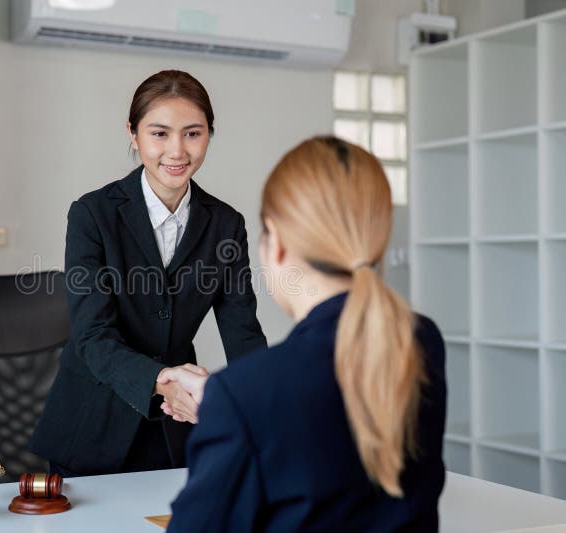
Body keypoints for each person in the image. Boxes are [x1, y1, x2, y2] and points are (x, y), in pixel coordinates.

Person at [163, 136, 447, 531]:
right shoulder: (420, 340)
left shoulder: (247, 394)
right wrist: (230, 400)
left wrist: (230, 403)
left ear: (275, 243)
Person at [29, 70, 267, 477]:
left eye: (193, 133)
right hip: (91, 427)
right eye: (160, 133)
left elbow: (242, 331)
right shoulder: (93, 215)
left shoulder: (226, 224)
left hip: (173, 434)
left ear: (210, 133)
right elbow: (92, 337)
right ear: (133, 134)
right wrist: (164, 381)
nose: (177, 151)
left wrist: (265, 403)